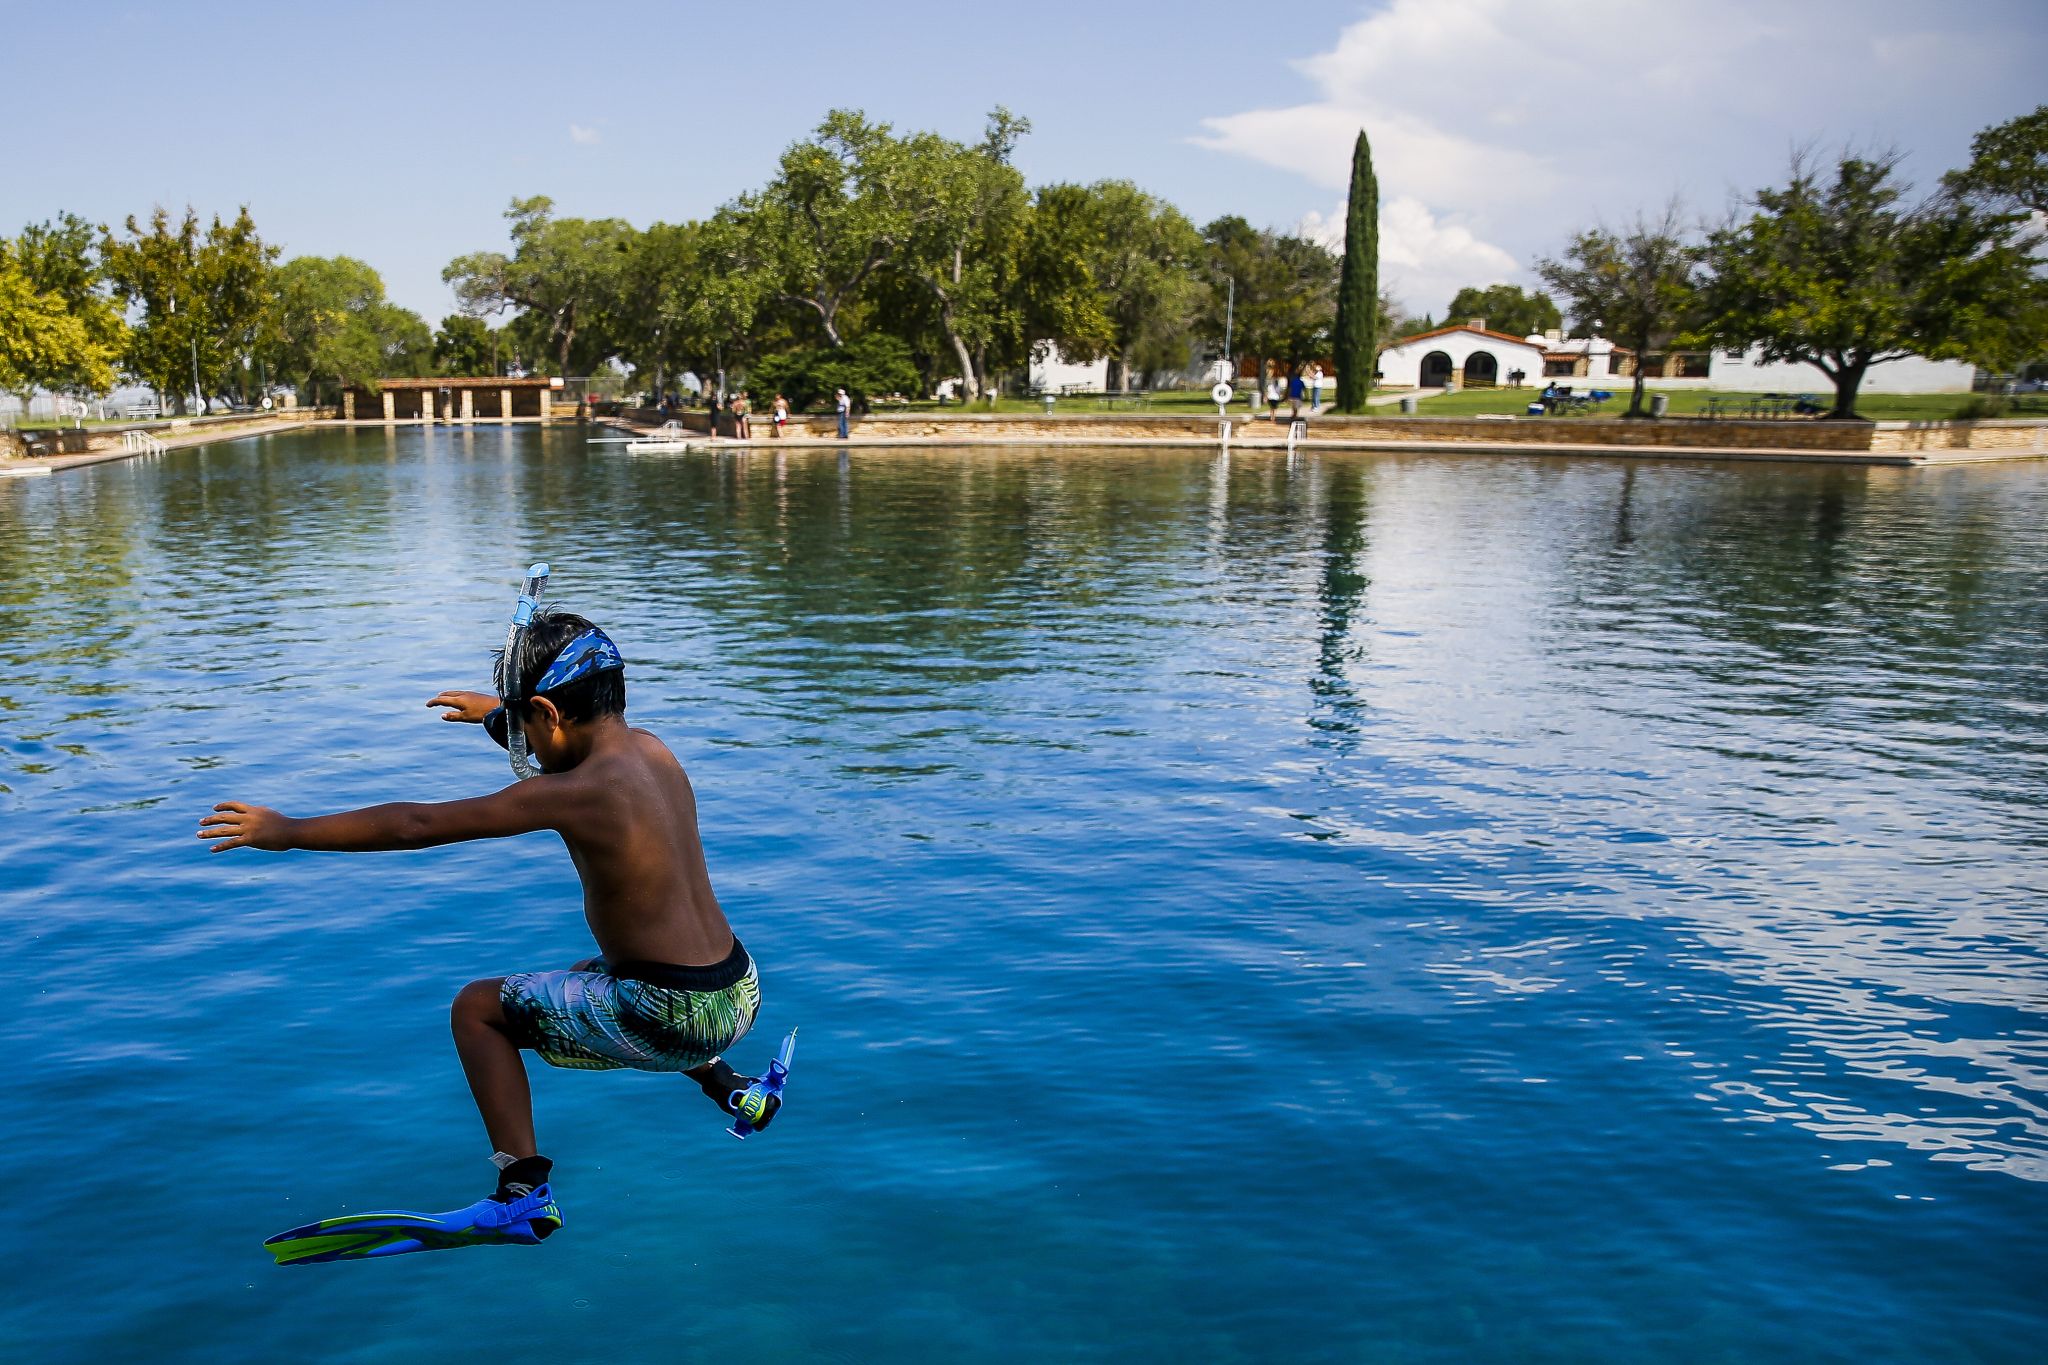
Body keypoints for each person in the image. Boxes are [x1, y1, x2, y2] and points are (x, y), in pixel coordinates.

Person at [197, 610, 777, 1232]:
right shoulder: (652, 753)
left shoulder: (574, 793)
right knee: (589, 978)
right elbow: (557, 748)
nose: (519, 741)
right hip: (736, 992)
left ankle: (520, 1188)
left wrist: (288, 832)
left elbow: (415, 824)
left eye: (525, 723)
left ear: (550, 714)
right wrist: (496, 716)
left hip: (667, 1014)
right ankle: (732, 1087)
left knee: (477, 1009)